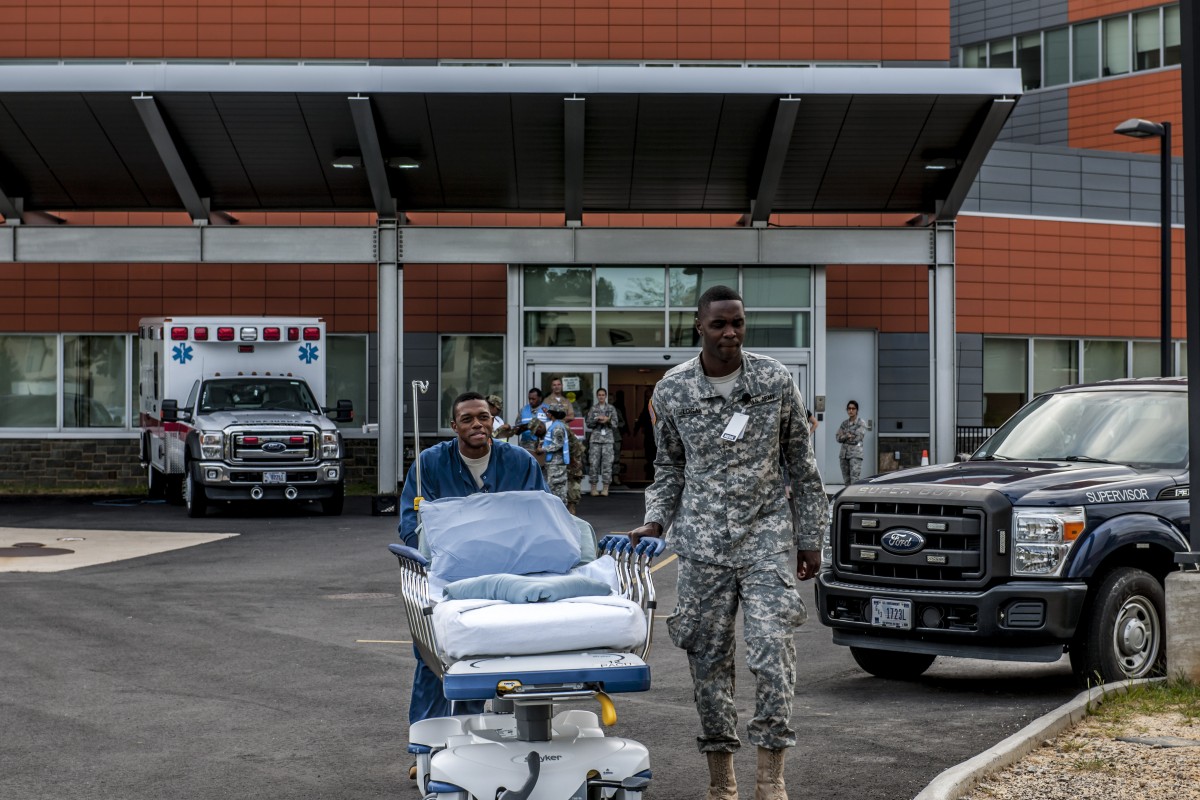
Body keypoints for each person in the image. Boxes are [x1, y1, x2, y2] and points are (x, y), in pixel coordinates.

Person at [627, 285, 828, 800]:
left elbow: (801, 464)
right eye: (718, 324)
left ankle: (771, 777)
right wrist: (655, 521)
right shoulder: (672, 390)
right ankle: (722, 782)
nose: (730, 333)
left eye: (737, 322)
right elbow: (668, 467)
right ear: (699, 326)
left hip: (765, 538)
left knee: (772, 651)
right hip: (701, 547)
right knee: (708, 661)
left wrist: (811, 538)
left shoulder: (773, 380)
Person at [397, 391, 550, 765]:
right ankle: (426, 748)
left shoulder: (519, 463)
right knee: (433, 658)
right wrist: (438, 553)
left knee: (483, 657)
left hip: (507, 575)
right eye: (467, 419)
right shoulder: (430, 464)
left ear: (493, 421)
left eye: (484, 417)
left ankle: (471, 739)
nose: (478, 424)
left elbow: (544, 515)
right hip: (447, 576)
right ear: (454, 426)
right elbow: (410, 524)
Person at [586, 387, 617, 496]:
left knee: (607, 464)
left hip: (607, 440)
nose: (601, 397)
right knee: (594, 464)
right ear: (597, 396)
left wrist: (608, 420)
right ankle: (593, 487)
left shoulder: (611, 408)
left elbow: (615, 424)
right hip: (595, 440)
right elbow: (588, 424)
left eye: (603, 395)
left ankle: (605, 488)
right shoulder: (593, 409)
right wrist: (597, 420)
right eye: (599, 395)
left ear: (606, 396)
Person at [541, 403, 571, 506]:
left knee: (558, 489)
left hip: (557, 463)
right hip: (553, 462)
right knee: (552, 488)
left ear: (552, 414)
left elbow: (558, 444)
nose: (547, 414)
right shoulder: (555, 425)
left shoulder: (557, 427)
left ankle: (561, 511)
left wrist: (543, 449)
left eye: (548, 412)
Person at [835, 399, 867, 485]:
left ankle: (854, 494)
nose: (851, 410)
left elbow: (857, 438)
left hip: (855, 455)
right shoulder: (844, 424)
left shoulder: (861, 423)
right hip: (844, 455)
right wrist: (847, 436)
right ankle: (847, 494)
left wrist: (844, 436)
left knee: (854, 480)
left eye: (853, 408)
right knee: (846, 481)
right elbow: (838, 438)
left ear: (857, 410)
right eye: (849, 408)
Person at [514, 388, 548, 455]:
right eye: (529, 399)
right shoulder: (523, 410)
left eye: (533, 399)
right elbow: (517, 428)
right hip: (526, 446)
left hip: (542, 446)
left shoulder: (548, 409)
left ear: (540, 398)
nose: (531, 401)